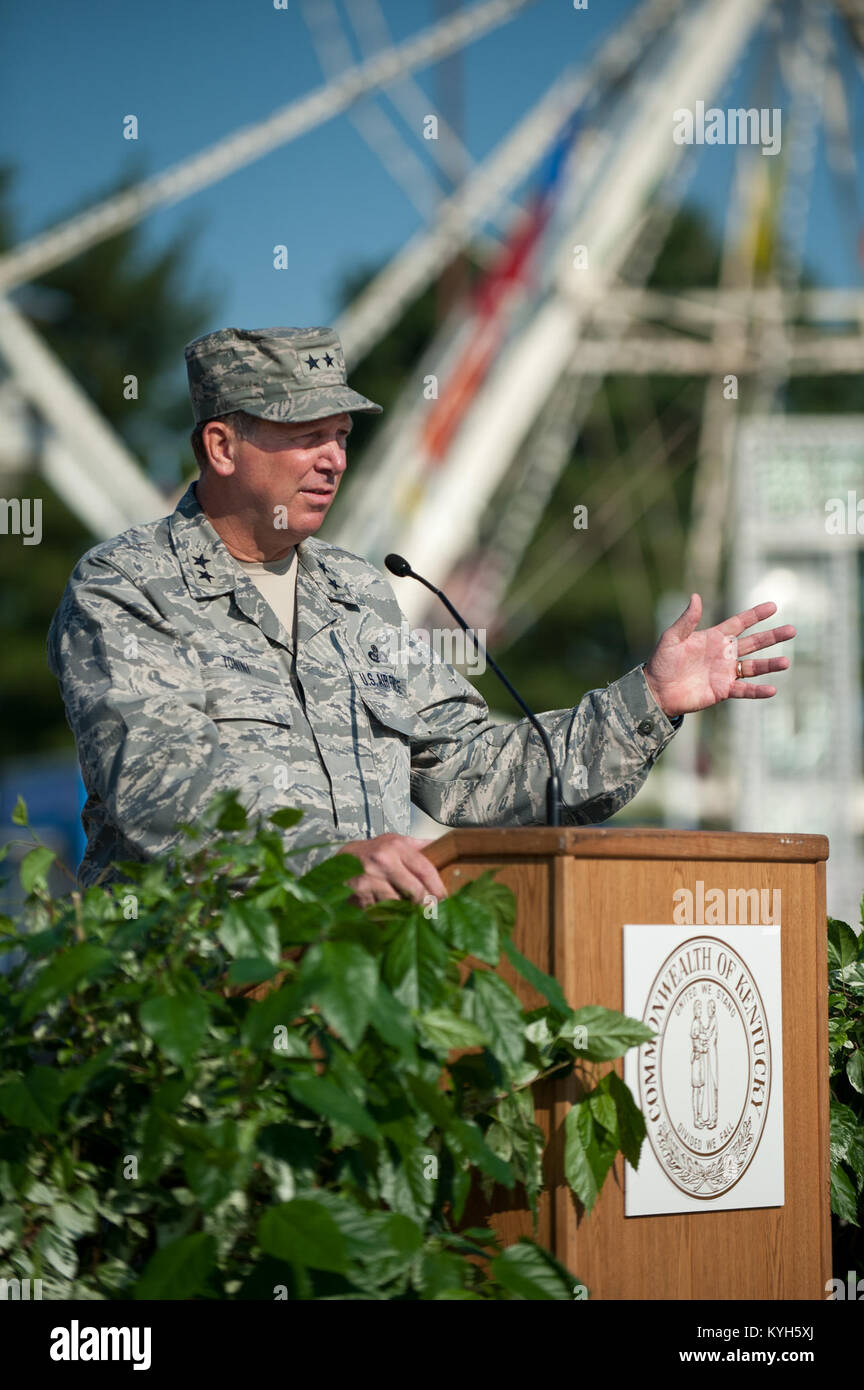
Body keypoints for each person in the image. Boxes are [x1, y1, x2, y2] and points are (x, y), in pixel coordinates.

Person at [47, 326, 795, 906]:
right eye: (307, 435)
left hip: (360, 1011)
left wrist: (648, 700)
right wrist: (324, 866)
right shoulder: (127, 588)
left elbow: (472, 772)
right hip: (196, 1030)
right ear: (222, 446)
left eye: (341, 436)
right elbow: (160, 794)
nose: (334, 459)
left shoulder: (356, 591)